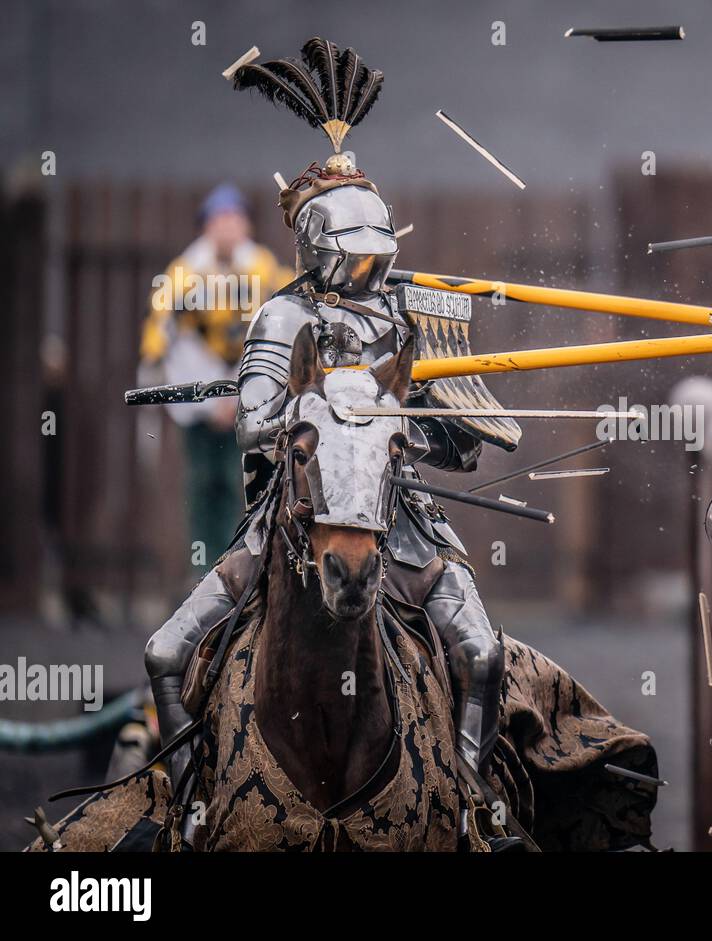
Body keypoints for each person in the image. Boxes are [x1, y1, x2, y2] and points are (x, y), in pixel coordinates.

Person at [142, 44, 518, 826]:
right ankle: (194, 802)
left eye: (381, 256)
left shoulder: (408, 318)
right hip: (292, 522)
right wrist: (330, 403)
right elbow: (251, 425)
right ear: (322, 249)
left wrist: (432, 418)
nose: (374, 272)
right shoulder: (283, 316)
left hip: (400, 523)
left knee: (481, 654)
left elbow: (455, 450)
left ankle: (474, 806)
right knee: (167, 652)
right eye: (359, 257)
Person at [138, 185, 292, 568]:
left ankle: (242, 572)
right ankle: (205, 573)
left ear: (246, 225)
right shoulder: (185, 273)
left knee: (244, 486)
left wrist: (241, 396)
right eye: (219, 220)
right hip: (199, 397)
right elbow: (163, 333)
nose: (227, 227)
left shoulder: (264, 268)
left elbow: (280, 326)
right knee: (203, 486)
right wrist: (208, 399)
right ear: (206, 226)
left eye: (234, 219)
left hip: (247, 396)